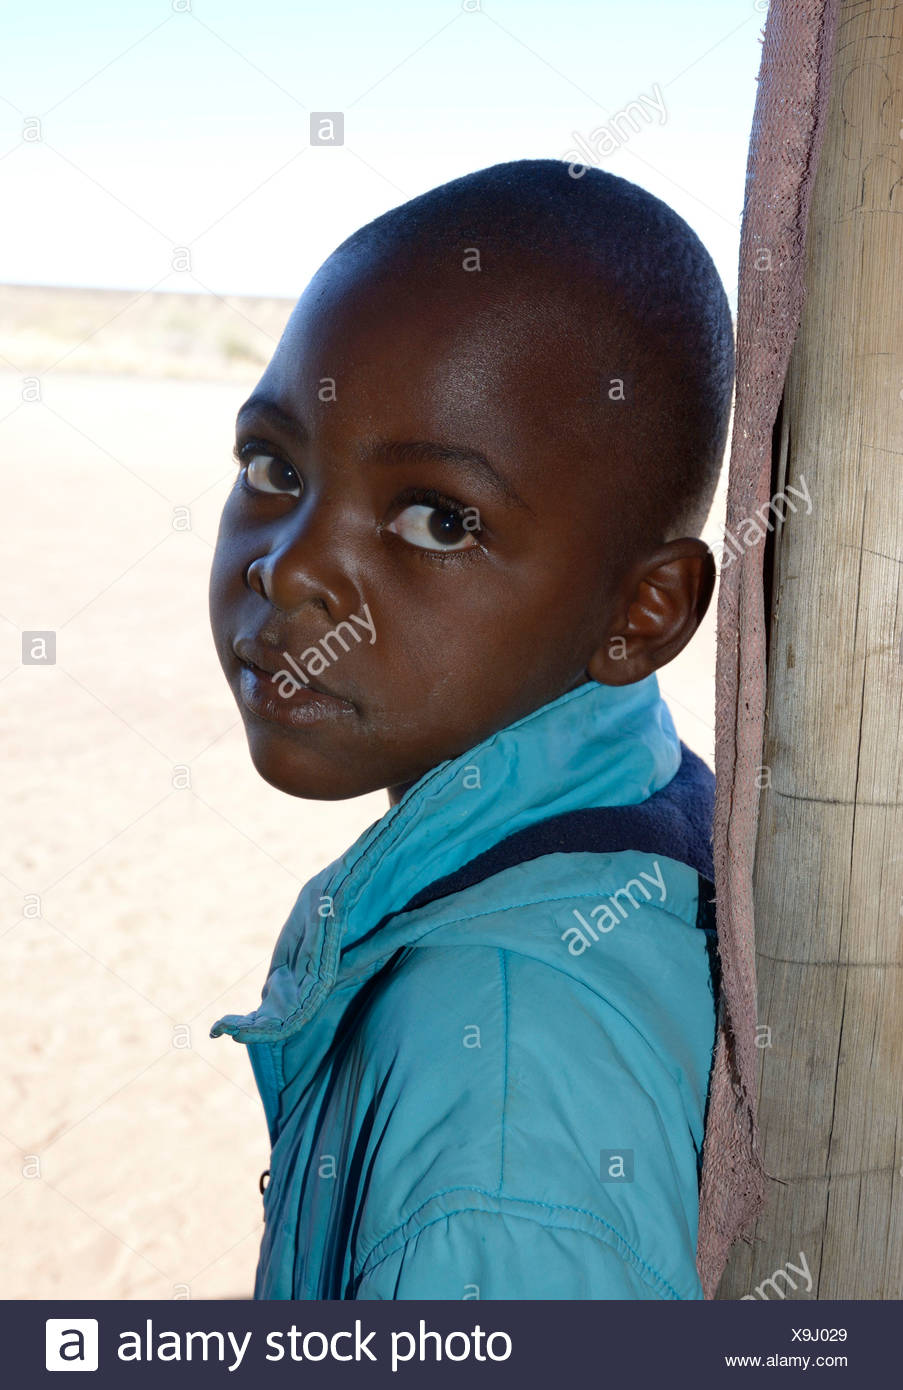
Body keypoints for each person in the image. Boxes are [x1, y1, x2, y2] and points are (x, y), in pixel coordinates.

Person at [208, 158, 731, 1300]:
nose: (288, 565)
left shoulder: (495, 1097)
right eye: (271, 464)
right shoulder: (648, 822)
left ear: (643, 614)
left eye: (438, 519)